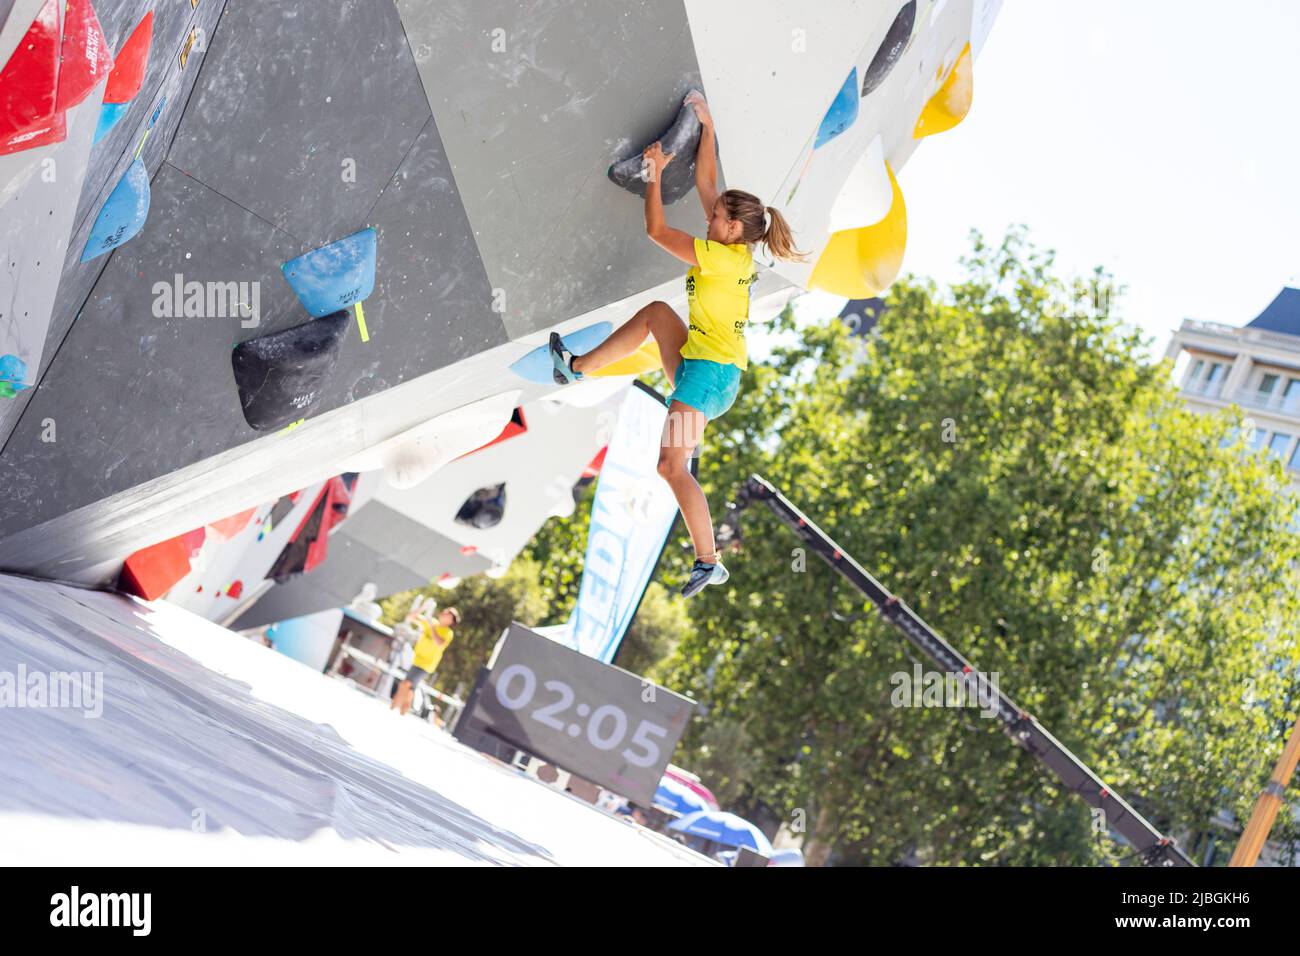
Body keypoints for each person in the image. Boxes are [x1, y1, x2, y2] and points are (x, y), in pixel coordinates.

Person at [549, 91, 805, 598]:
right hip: (704, 370)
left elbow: (657, 229)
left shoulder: (721, 256)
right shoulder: (733, 243)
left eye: (714, 220)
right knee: (657, 317)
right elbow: (709, 183)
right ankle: (576, 366)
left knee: (670, 466)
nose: (707, 218)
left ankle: (709, 561)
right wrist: (707, 127)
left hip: (708, 380)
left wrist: (655, 172)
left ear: (731, 230)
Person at [390, 606, 460, 716]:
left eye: (448, 614)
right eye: (444, 612)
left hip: (426, 665)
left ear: (451, 621)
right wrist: (423, 607)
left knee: (405, 684)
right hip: (417, 660)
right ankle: (403, 713)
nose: (443, 614)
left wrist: (432, 627)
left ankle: (393, 708)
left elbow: (439, 642)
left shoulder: (448, 632)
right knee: (410, 688)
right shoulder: (432, 622)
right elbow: (411, 617)